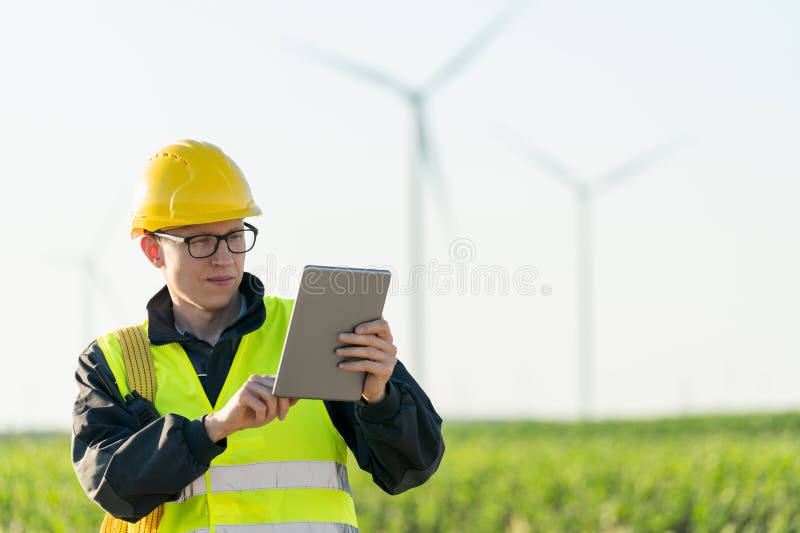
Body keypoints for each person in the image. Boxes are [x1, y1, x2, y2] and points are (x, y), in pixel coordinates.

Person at [71, 139, 444, 532]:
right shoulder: (112, 362)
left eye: (235, 235)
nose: (224, 257)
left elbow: (411, 468)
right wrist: (212, 429)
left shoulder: (313, 329)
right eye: (200, 241)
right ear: (153, 250)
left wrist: (381, 397)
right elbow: (112, 488)